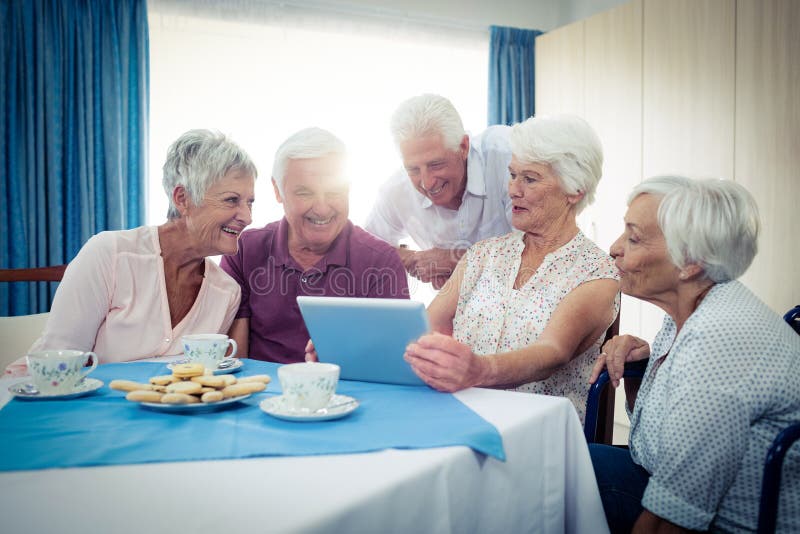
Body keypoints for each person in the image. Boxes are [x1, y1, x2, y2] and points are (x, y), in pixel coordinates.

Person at [588, 176, 800, 533]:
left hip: (729, 524)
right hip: (657, 479)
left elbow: (672, 520)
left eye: (634, 237)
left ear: (690, 262)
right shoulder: (690, 310)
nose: (613, 248)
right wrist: (640, 369)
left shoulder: (719, 341)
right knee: (555, 462)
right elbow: (659, 438)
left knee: (547, 478)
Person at [402, 114, 620, 421]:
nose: (513, 190)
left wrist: (479, 370)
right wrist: (357, 354)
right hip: (464, 418)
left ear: (574, 190)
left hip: (538, 433)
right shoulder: (483, 254)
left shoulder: (597, 274)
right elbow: (423, 329)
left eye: (529, 179)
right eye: (512, 175)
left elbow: (551, 352)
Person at [5, 129, 256, 376]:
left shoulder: (226, 293)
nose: (247, 217)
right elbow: (54, 366)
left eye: (250, 202)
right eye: (231, 200)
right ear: (182, 199)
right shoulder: (110, 255)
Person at [221, 127, 408, 363]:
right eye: (304, 192)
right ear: (278, 190)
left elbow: (394, 360)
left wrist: (352, 358)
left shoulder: (381, 261)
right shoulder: (244, 250)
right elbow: (233, 360)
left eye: (334, 192)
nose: (321, 208)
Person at [365, 94, 513, 289]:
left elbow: (542, 249)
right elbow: (368, 250)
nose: (426, 183)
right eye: (413, 169)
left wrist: (454, 259)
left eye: (436, 164)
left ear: (463, 146)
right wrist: (415, 259)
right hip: (454, 313)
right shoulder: (396, 189)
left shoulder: (507, 156)